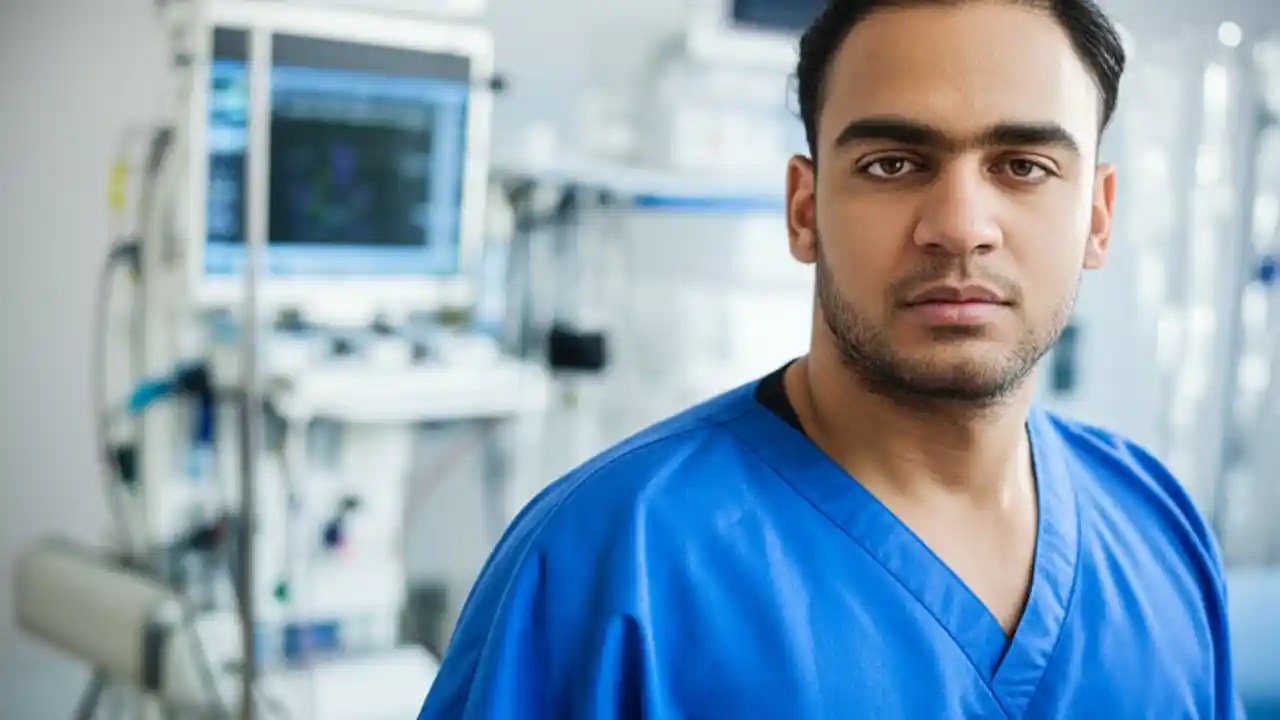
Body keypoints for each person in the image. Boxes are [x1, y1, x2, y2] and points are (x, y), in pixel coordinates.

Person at [418, 1, 1239, 717]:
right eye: (893, 164)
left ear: (1097, 218)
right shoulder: (604, 561)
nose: (960, 225)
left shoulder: (1156, 529)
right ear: (805, 209)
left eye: (1023, 167)